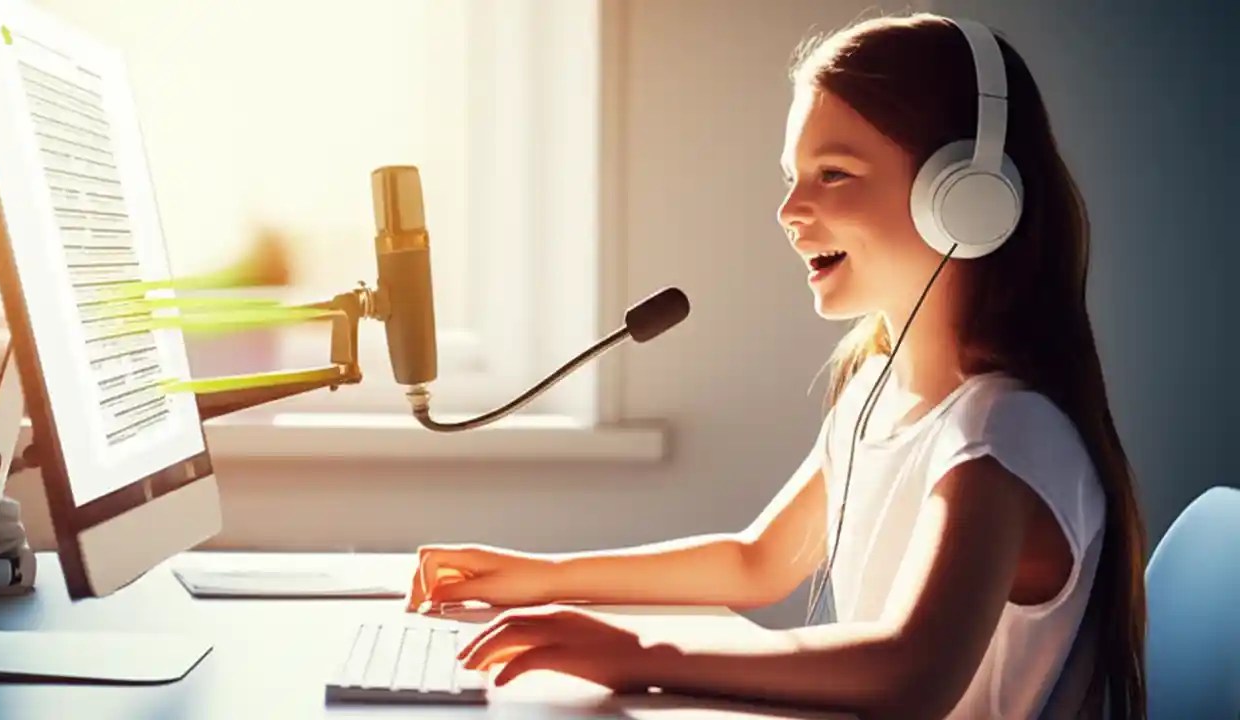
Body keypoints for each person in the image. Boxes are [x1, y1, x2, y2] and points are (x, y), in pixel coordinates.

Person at [406, 12, 1147, 720]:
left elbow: (910, 674)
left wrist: (639, 655)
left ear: (963, 201)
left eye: (834, 174)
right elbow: (756, 563)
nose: (790, 209)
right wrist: (538, 580)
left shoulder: (1004, 434)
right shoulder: (876, 391)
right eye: (793, 176)